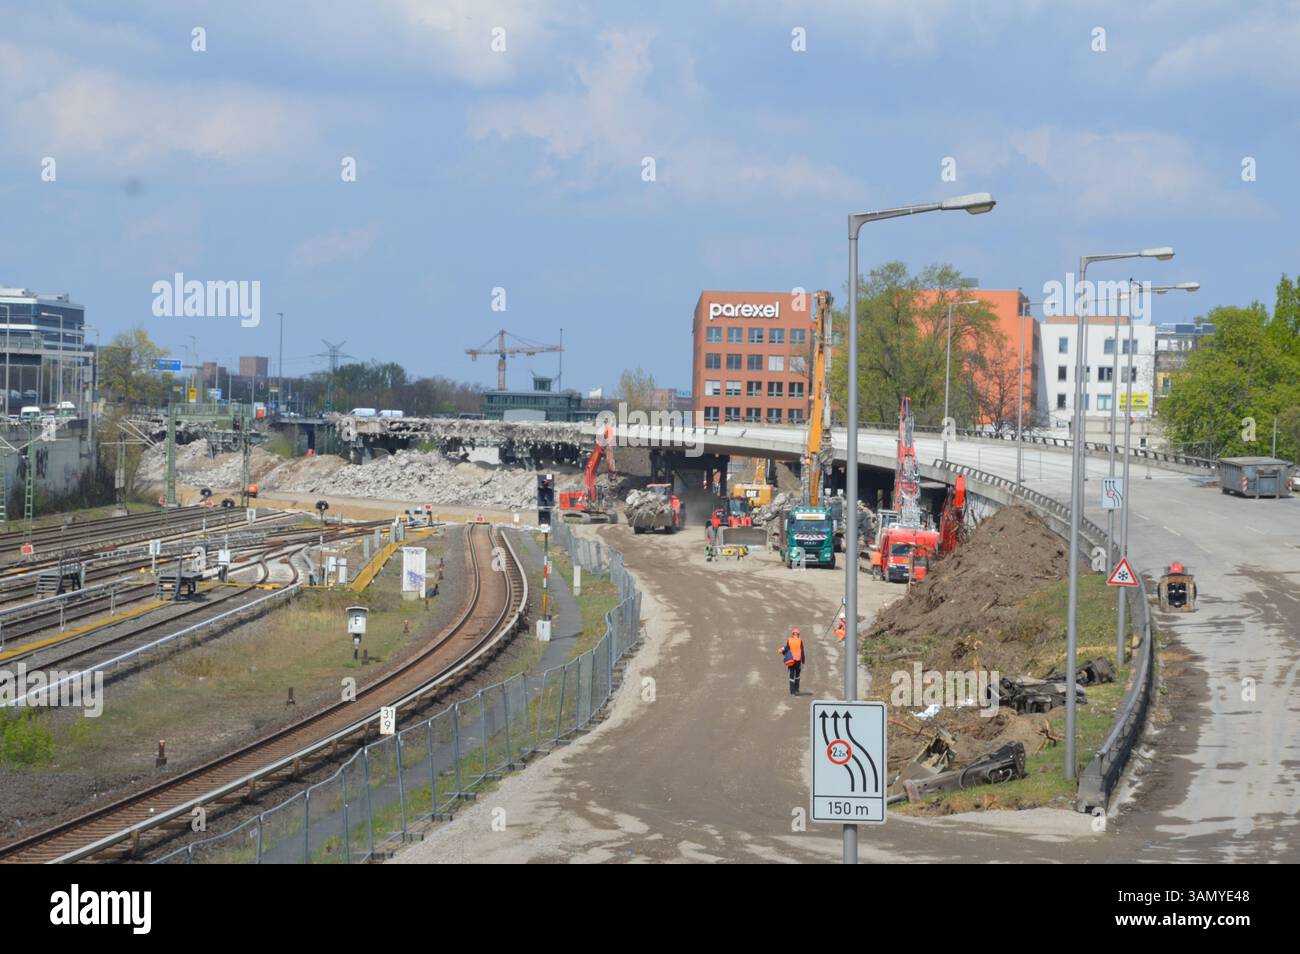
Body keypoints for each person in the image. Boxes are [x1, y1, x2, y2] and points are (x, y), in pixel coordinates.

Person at [778, 627, 805, 696]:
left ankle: (792, 692)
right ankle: (797, 690)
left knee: (791, 677)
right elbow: (802, 652)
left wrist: (781, 650)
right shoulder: (800, 641)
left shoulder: (789, 640)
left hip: (791, 662)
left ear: (792, 634)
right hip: (798, 662)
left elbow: (787, 648)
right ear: (798, 634)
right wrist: (803, 662)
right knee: (797, 676)